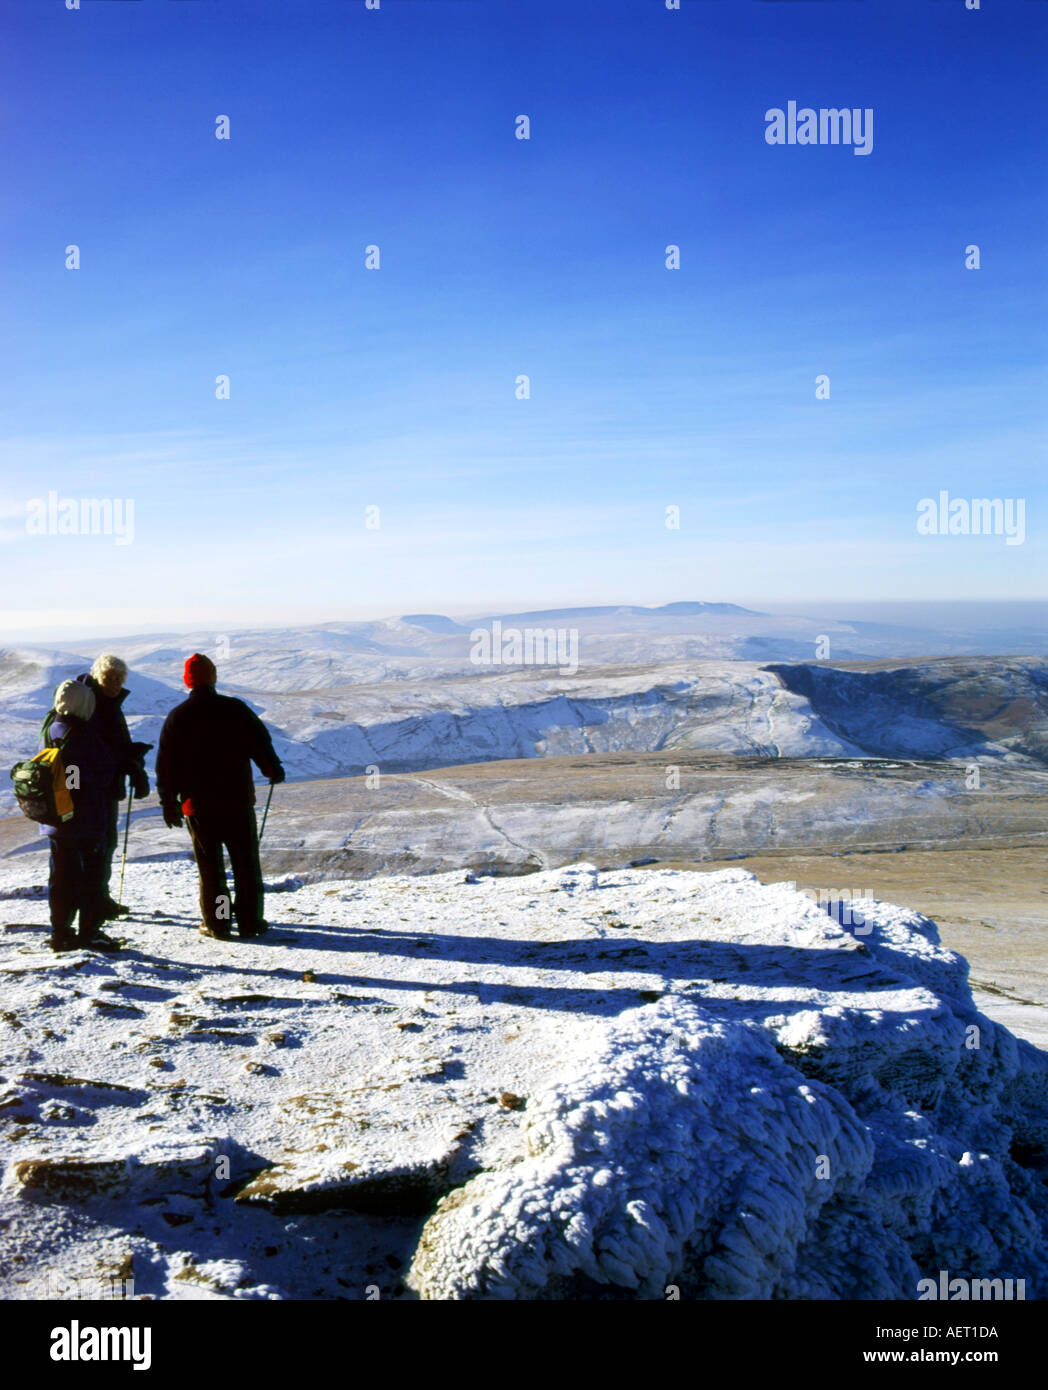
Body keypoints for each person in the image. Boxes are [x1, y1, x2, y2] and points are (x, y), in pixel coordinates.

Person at [156, 653, 285, 940]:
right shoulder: (235, 709)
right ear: (213, 677)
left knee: (211, 868)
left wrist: (168, 802)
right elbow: (260, 743)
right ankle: (250, 922)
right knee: (245, 862)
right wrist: (272, 769)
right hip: (236, 801)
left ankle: (219, 923)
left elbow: (166, 765)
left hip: (199, 806)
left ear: (187, 681)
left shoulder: (178, 717)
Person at [42, 680, 121, 953]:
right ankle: (90, 932)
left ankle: (61, 932)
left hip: (57, 820)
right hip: (83, 821)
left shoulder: (52, 727)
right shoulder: (82, 734)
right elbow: (86, 776)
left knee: (61, 877)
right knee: (90, 876)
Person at [74, 654, 152, 920]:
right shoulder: (92, 705)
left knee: (106, 844)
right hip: (94, 790)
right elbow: (98, 751)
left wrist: (131, 757)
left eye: (120, 678)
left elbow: (111, 746)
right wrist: (128, 761)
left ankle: (99, 899)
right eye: (110, 678)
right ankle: (94, 905)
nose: (116, 683)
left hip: (105, 787)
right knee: (99, 845)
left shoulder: (106, 703)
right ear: (98, 676)